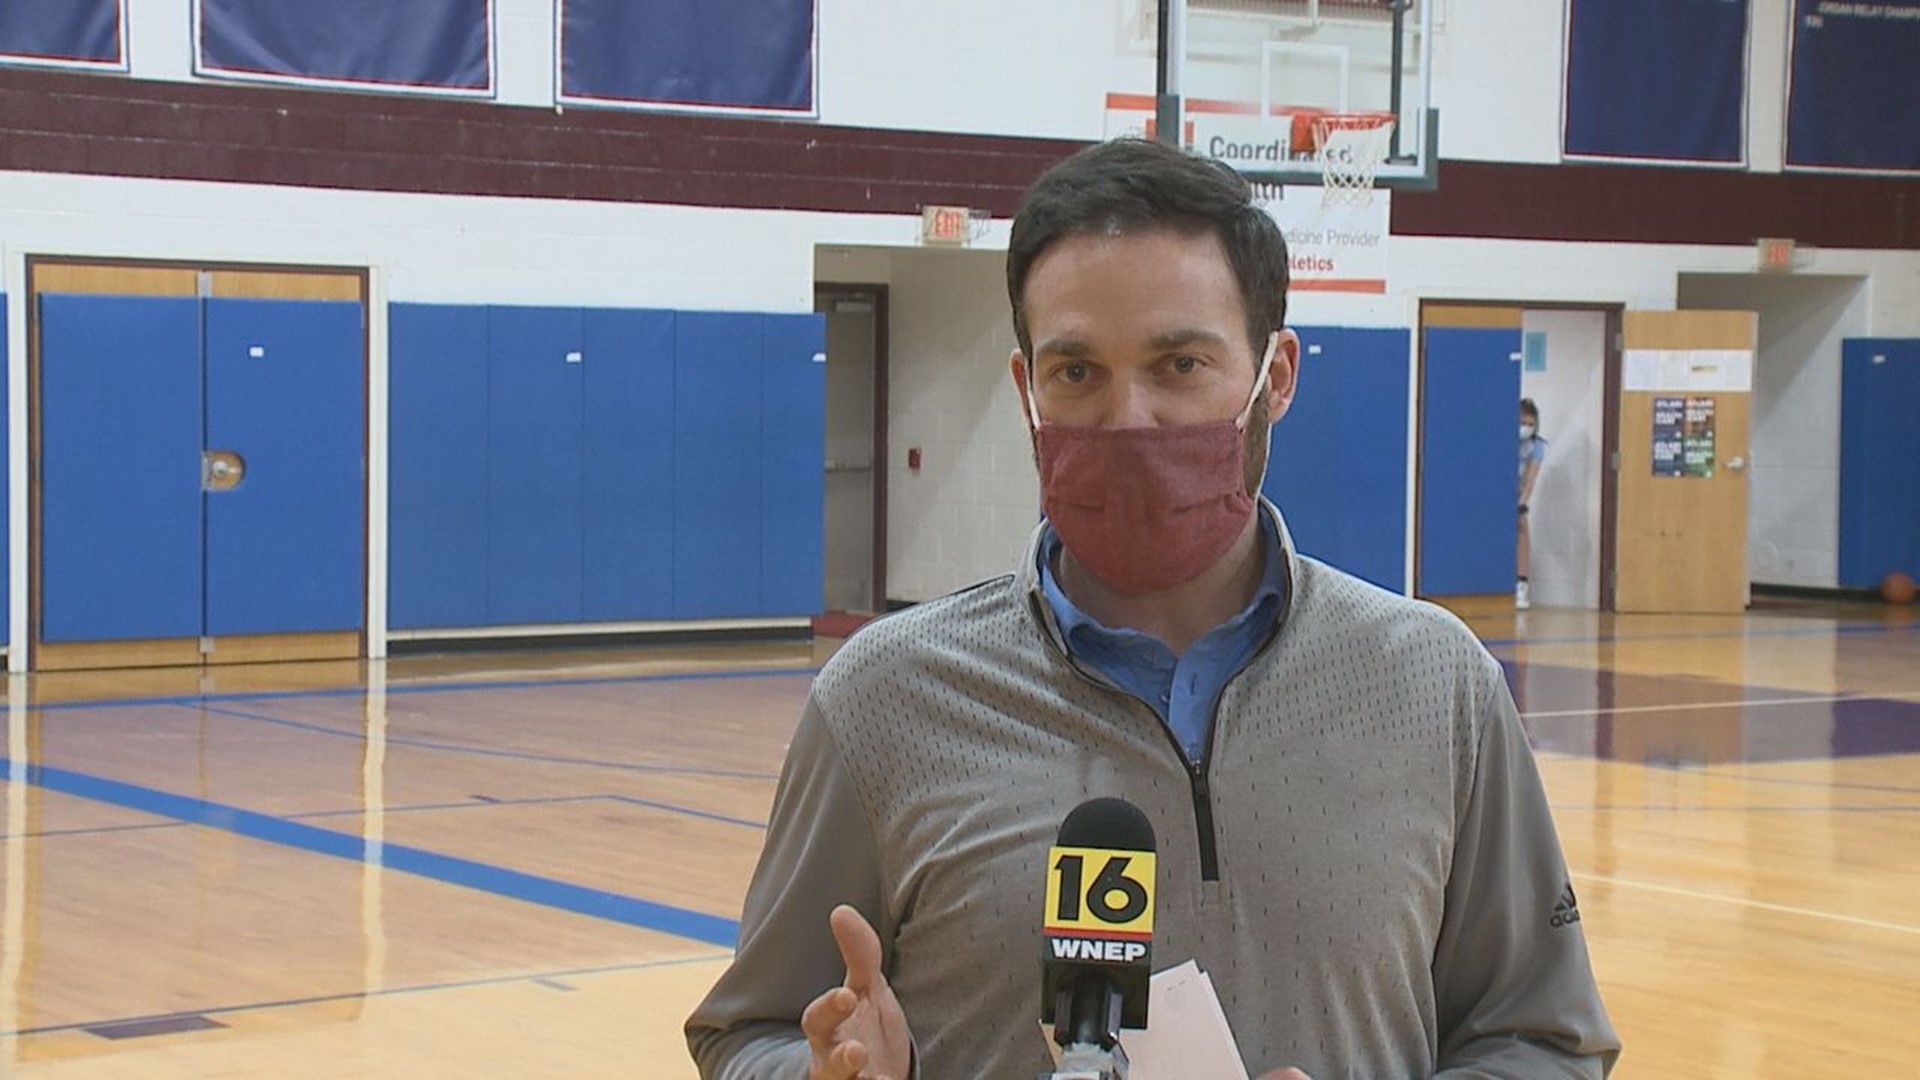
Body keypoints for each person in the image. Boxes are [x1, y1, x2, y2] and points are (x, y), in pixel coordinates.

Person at [686, 138, 1619, 1080]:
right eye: (1077, 372)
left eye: (1179, 364)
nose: (1128, 419)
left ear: (1275, 377)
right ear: (1026, 390)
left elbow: (1540, 1038)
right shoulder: (882, 700)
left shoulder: (1435, 685)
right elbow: (750, 1033)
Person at [1517, 399, 1546, 611]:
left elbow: (1530, 478)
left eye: (1530, 424)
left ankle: (1521, 583)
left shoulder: (1537, 446)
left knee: (1522, 528)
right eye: (1522, 423)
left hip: (1517, 493)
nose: (1525, 428)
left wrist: (1522, 503)